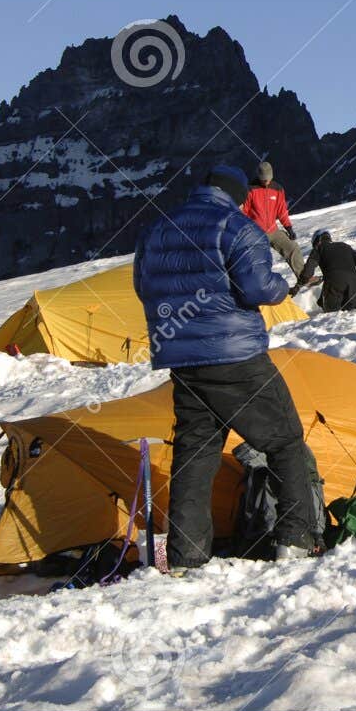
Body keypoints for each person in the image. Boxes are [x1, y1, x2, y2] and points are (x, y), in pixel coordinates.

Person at [133, 164, 321, 570]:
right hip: (235, 355)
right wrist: (281, 287)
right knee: (284, 439)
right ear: (237, 196)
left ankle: (186, 558)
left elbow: (140, 286)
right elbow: (257, 287)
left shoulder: (156, 230)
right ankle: (296, 539)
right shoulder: (237, 227)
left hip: (183, 359)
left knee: (196, 453)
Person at [241, 161, 305, 278]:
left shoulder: (278, 189)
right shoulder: (250, 189)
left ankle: (304, 277)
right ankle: (261, 286)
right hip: (256, 232)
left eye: (268, 178)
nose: (266, 181)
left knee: (292, 247)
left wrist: (288, 228)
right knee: (261, 259)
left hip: (273, 230)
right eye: (263, 178)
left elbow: (282, 211)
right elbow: (243, 212)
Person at [293, 229, 356, 311]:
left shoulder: (319, 249)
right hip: (355, 286)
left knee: (332, 318)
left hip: (334, 286)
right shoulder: (345, 246)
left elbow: (308, 271)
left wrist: (299, 284)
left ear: (317, 241)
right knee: (354, 316)